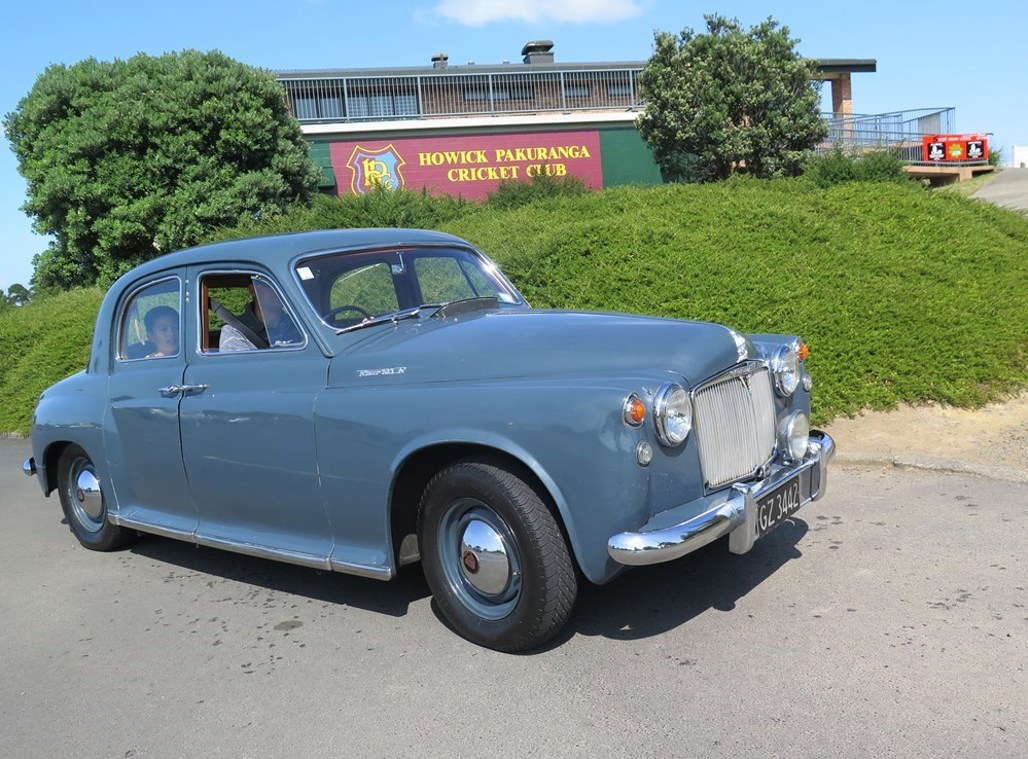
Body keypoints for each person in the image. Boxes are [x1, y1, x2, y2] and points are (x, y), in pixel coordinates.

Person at [218, 280, 302, 352]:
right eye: (268, 283)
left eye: (282, 284)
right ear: (252, 290)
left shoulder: (300, 326)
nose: (277, 289)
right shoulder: (234, 331)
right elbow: (240, 368)